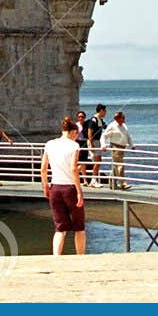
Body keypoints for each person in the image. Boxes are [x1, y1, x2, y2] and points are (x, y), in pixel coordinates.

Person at [40, 116, 86, 256]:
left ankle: (56, 258)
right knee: (79, 227)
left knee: (60, 228)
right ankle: (80, 257)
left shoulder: (50, 144)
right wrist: (79, 191)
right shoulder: (74, 146)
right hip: (70, 188)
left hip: (55, 188)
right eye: (76, 134)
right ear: (73, 132)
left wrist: (46, 187)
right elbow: (73, 169)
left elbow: (43, 169)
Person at [102, 111, 132, 189]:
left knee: (116, 166)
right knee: (120, 165)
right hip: (115, 147)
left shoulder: (124, 126)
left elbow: (127, 136)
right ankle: (123, 183)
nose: (124, 119)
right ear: (118, 119)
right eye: (122, 118)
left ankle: (112, 182)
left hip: (122, 147)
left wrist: (132, 145)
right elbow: (104, 136)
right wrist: (103, 145)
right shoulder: (112, 126)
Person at [87, 105, 108, 187]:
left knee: (98, 160)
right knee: (97, 161)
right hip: (93, 142)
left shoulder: (100, 120)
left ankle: (94, 179)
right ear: (101, 111)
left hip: (97, 142)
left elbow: (107, 127)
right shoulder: (94, 119)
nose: (105, 113)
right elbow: (89, 132)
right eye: (105, 111)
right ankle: (93, 180)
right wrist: (91, 144)